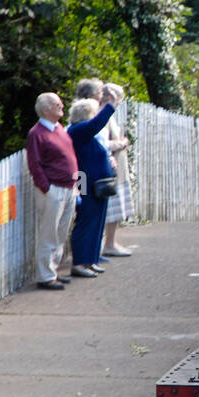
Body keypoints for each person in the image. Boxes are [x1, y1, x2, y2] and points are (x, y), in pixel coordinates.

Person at [26, 93, 79, 289]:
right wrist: (46, 188)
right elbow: (34, 164)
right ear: (46, 108)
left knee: (61, 232)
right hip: (53, 190)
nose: (61, 106)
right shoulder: (37, 134)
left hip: (68, 187)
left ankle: (53, 270)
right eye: (57, 104)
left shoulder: (60, 129)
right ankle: (45, 276)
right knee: (49, 233)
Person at [66, 95, 119, 277]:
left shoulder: (84, 131)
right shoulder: (78, 129)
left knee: (97, 221)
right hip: (85, 181)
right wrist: (111, 105)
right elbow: (96, 124)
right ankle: (80, 262)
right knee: (86, 220)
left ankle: (91, 259)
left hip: (96, 183)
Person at [99, 83, 134, 256]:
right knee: (112, 208)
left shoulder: (109, 114)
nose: (119, 101)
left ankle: (111, 242)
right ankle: (109, 244)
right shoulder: (100, 113)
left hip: (118, 168)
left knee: (117, 208)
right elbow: (101, 142)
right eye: (118, 98)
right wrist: (120, 143)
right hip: (110, 170)